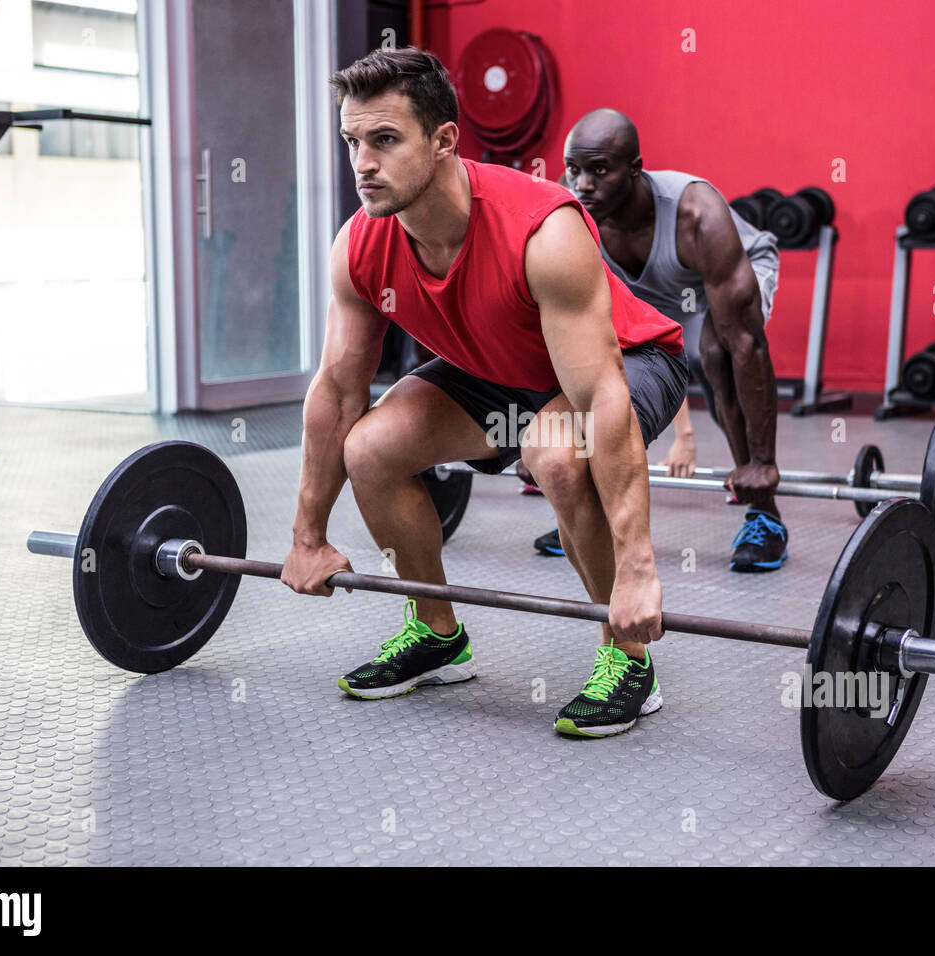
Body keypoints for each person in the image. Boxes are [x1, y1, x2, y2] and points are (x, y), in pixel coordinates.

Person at [280, 47, 689, 738]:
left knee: (554, 453)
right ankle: (437, 633)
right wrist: (307, 535)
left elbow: (600, 396)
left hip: (630, 362)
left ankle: (628, 656)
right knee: (371, 447)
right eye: (353, 141)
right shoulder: (359, 245)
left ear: (444, 140)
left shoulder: (542, 230)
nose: (362, 163)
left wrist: (640, 566)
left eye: (385, 140)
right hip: (497, 374)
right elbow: (338, 391)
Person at [528, 109, 786, 573]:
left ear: (635, 168)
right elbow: (554, 326)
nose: (583, 184)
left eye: (599, 170)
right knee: (587, 344)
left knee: (715, 353)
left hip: (717, 281)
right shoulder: (571, 216)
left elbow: (746, 343)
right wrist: (534, 439)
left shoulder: (696, 215)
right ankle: (586, 507)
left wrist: (762, 462)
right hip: (653, 292)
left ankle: (764, 513)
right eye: (574, 169)